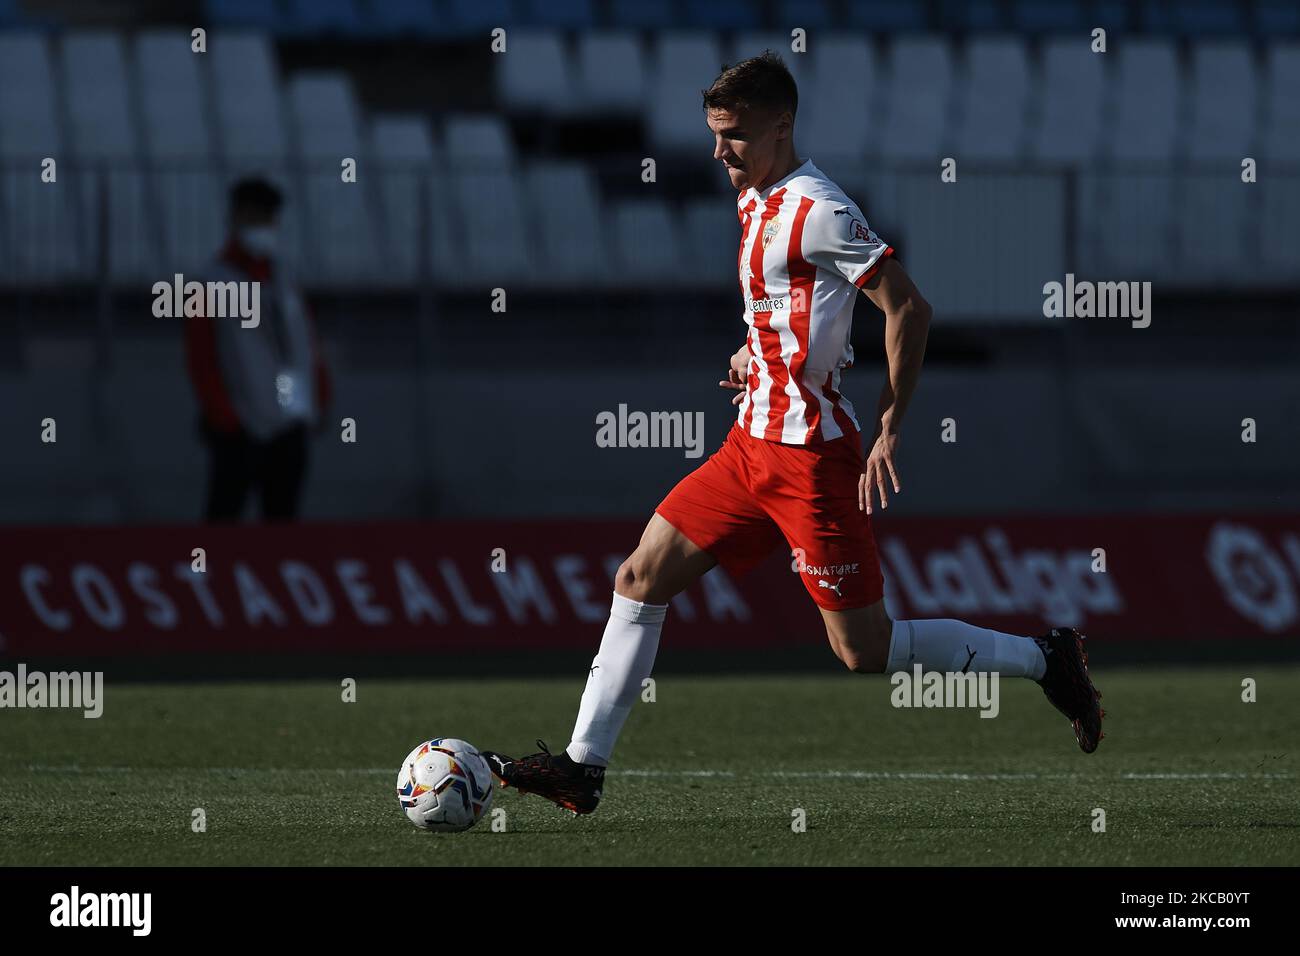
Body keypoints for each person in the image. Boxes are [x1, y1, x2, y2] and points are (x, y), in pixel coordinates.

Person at [483, 53, 1103, 814]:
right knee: (639, 579)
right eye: (714, 134)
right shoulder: (754, 196)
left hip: (811, 456)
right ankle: (583, 767)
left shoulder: (819, 208)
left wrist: (889, 428)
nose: (720, 152)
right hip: (748, 448)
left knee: (862, 651)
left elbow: (908, 308)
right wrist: (758, 354)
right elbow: (801, 313)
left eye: (736, 135)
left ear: (783, 126)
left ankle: (1047, 659)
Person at [185, 177, 330, 522]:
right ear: (234, 219)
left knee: (282, 519)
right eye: (252, 218)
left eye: (267, 219)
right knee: (224, 515)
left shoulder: (284, 277)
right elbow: (201, 357)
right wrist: (224, 415)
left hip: (289, 417)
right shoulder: (209, 282)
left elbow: (304, 342)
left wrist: (316, 398)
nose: (261, 227)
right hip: (241, 422)